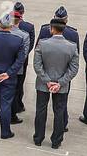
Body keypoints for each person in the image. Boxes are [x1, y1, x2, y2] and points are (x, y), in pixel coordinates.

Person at [31, 19, 78, 148]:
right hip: (61, 86)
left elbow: (37, 65)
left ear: (52, 29)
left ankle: (38, 138)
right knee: (59, 112)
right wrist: (60, 83)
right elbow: (73, 69)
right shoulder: (72, 46)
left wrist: (47, 81)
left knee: (41, 110)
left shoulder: (42, 43)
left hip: (42, 84)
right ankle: (56, 141)